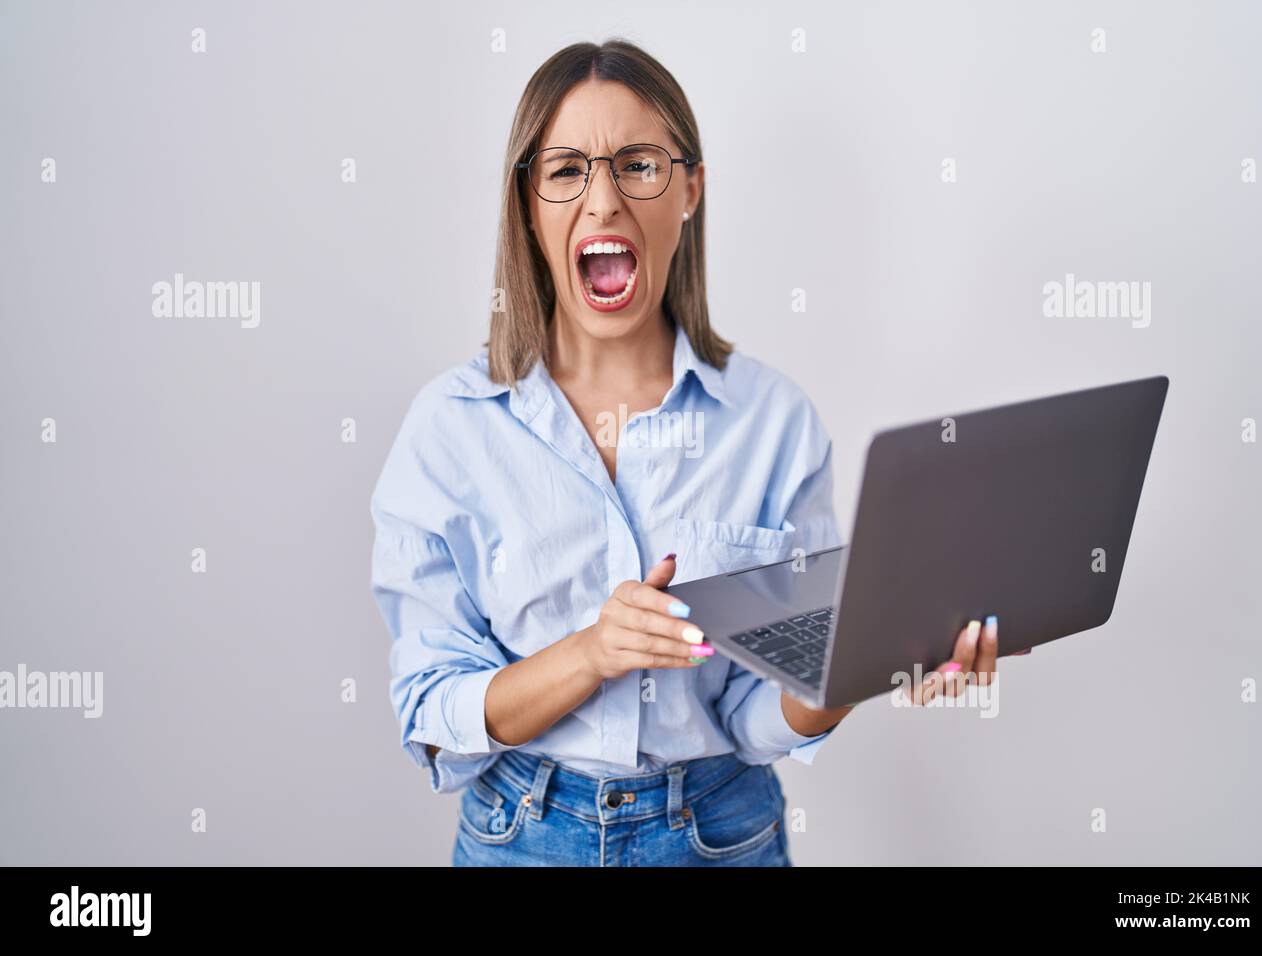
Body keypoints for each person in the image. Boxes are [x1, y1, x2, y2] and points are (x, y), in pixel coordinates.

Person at [369, 38, 1009, 866]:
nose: (602, 200)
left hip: (723, 836)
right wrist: (591, 653)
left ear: (690, 190)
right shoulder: (450, 429)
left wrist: (851, 677)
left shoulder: (773, 422)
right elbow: (430, 709)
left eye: (638, 164)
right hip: (519, 837)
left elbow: (754, 718)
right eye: (566, 170)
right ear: (530, 205)